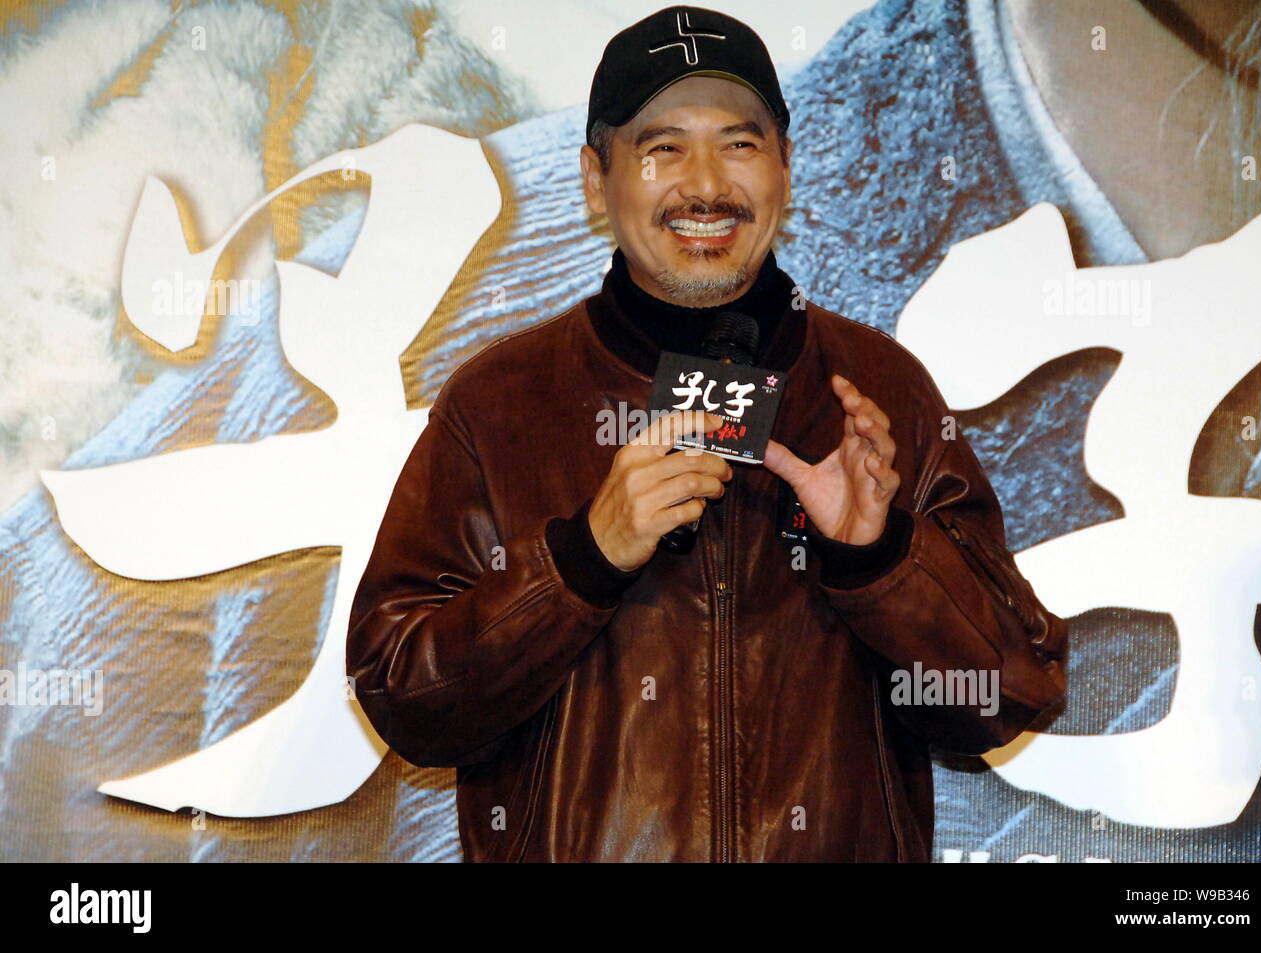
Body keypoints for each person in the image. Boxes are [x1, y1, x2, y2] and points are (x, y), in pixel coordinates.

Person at [346, 4, 1067, 862]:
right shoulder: (499, 404)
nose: (706, 184)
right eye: (661, 148)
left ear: (786, 168)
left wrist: (880, 560)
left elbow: (1008, 696)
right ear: (592, 177)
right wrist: (581, 559)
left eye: (739, 143)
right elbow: (402, 695)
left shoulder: (880, 393)